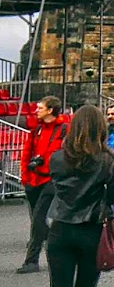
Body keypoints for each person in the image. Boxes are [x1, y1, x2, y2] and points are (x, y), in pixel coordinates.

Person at [45, 104, 114, 287]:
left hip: (61, 226)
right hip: (91, 228)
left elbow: (58, 188)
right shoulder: (106, 160)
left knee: (59, 283)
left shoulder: (57, 158)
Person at [16, 96, 68, 275]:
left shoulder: (64, 130)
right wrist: (25, 177)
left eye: (40, 108)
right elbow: (26, 153)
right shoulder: (36, 129)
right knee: (37, 221)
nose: (36, 110)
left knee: (38, 219)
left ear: (50, 110)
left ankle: (31, 260)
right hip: (34, 180)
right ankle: (61, 246)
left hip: (51, 180)